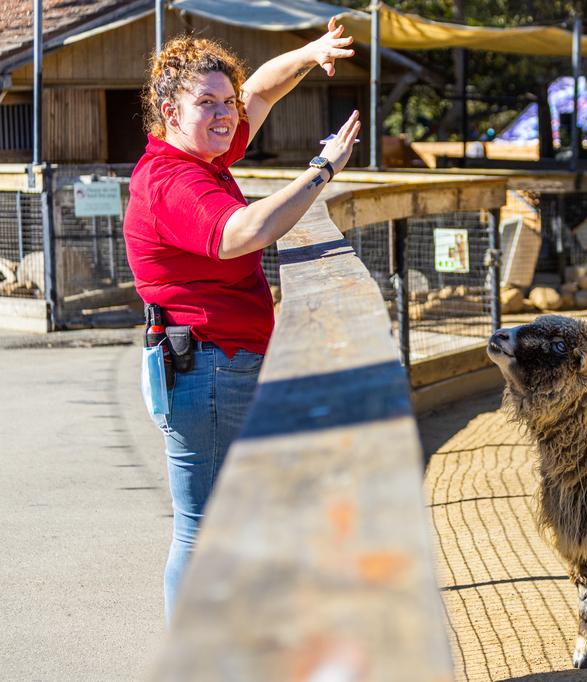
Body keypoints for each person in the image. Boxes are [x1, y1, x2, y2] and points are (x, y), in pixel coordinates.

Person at [123, 18, 361, 623]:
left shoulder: (201, 156)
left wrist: (309, 53)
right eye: (206, 103)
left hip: (220, 363)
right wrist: (323, 169)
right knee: (203, 529)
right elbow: (243, 232)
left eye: (223, 101)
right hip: (207, 367)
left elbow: (258, 91)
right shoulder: (174, 180)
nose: (226, 113)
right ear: (168, 111)